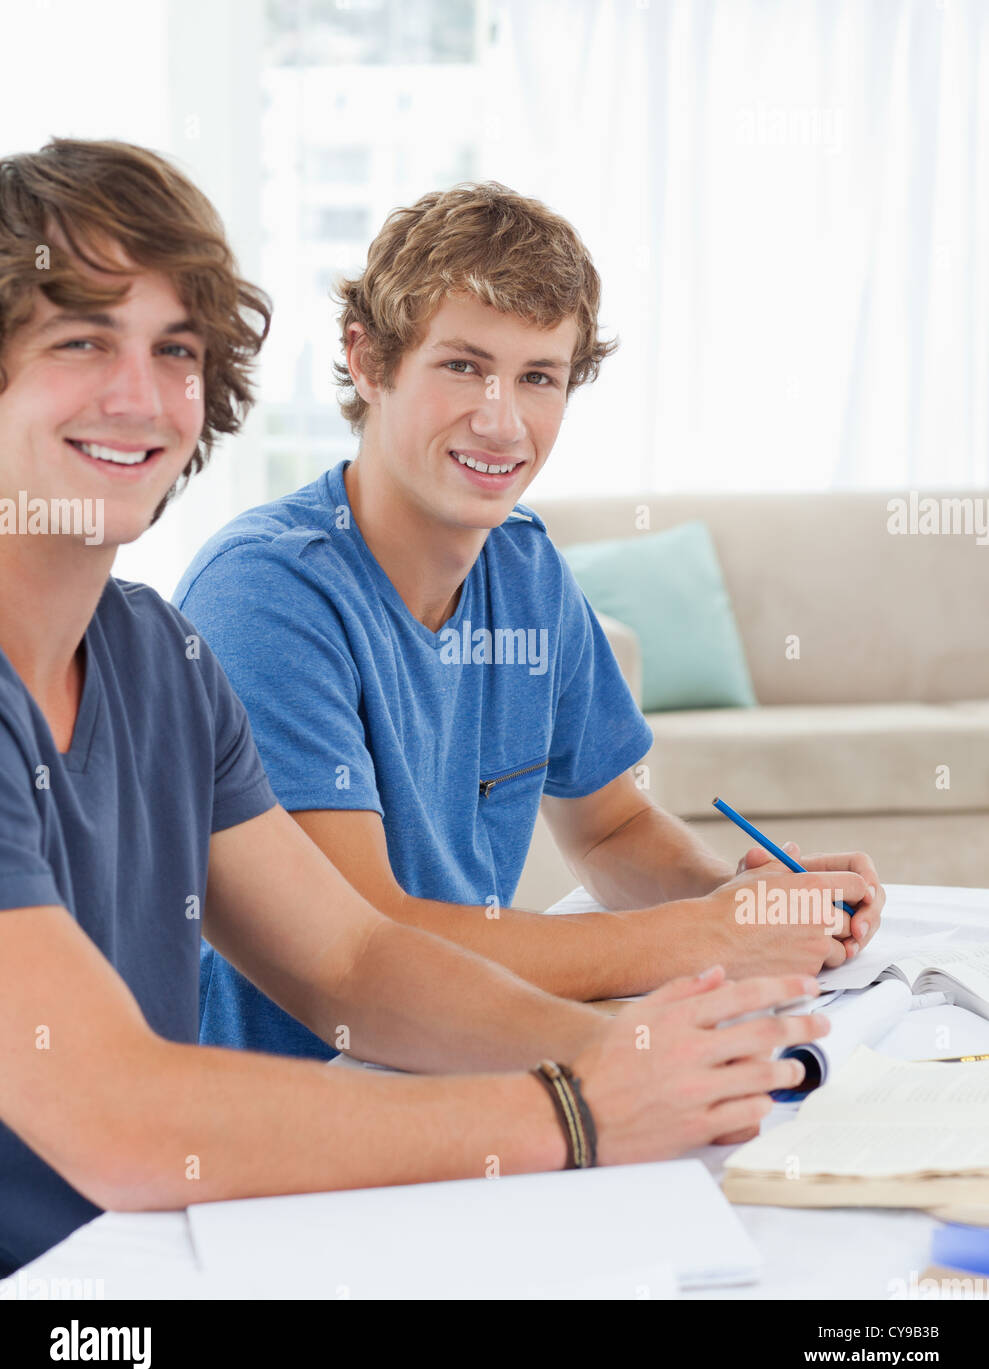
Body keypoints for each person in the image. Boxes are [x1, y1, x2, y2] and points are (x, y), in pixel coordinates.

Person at [0, 137, 836, 1278]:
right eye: (81, 341)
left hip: (152, 1257)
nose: (139, 395)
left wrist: (635, 1056)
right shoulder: (260, 591)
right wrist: (573, 1109)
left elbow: (349, 961)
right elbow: (121, 1113)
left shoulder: (158, 659)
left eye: (176, 348)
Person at [175, 181, 885, 1062]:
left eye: (537, 377)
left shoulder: (524, 566)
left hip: (471, 1059)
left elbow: (610, 825)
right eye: (463, 365)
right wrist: (706, 940)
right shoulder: (266, 596)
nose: (501, 420)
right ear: (366, 360)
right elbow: (366, 940)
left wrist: (735, 897)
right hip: (309, 1098)